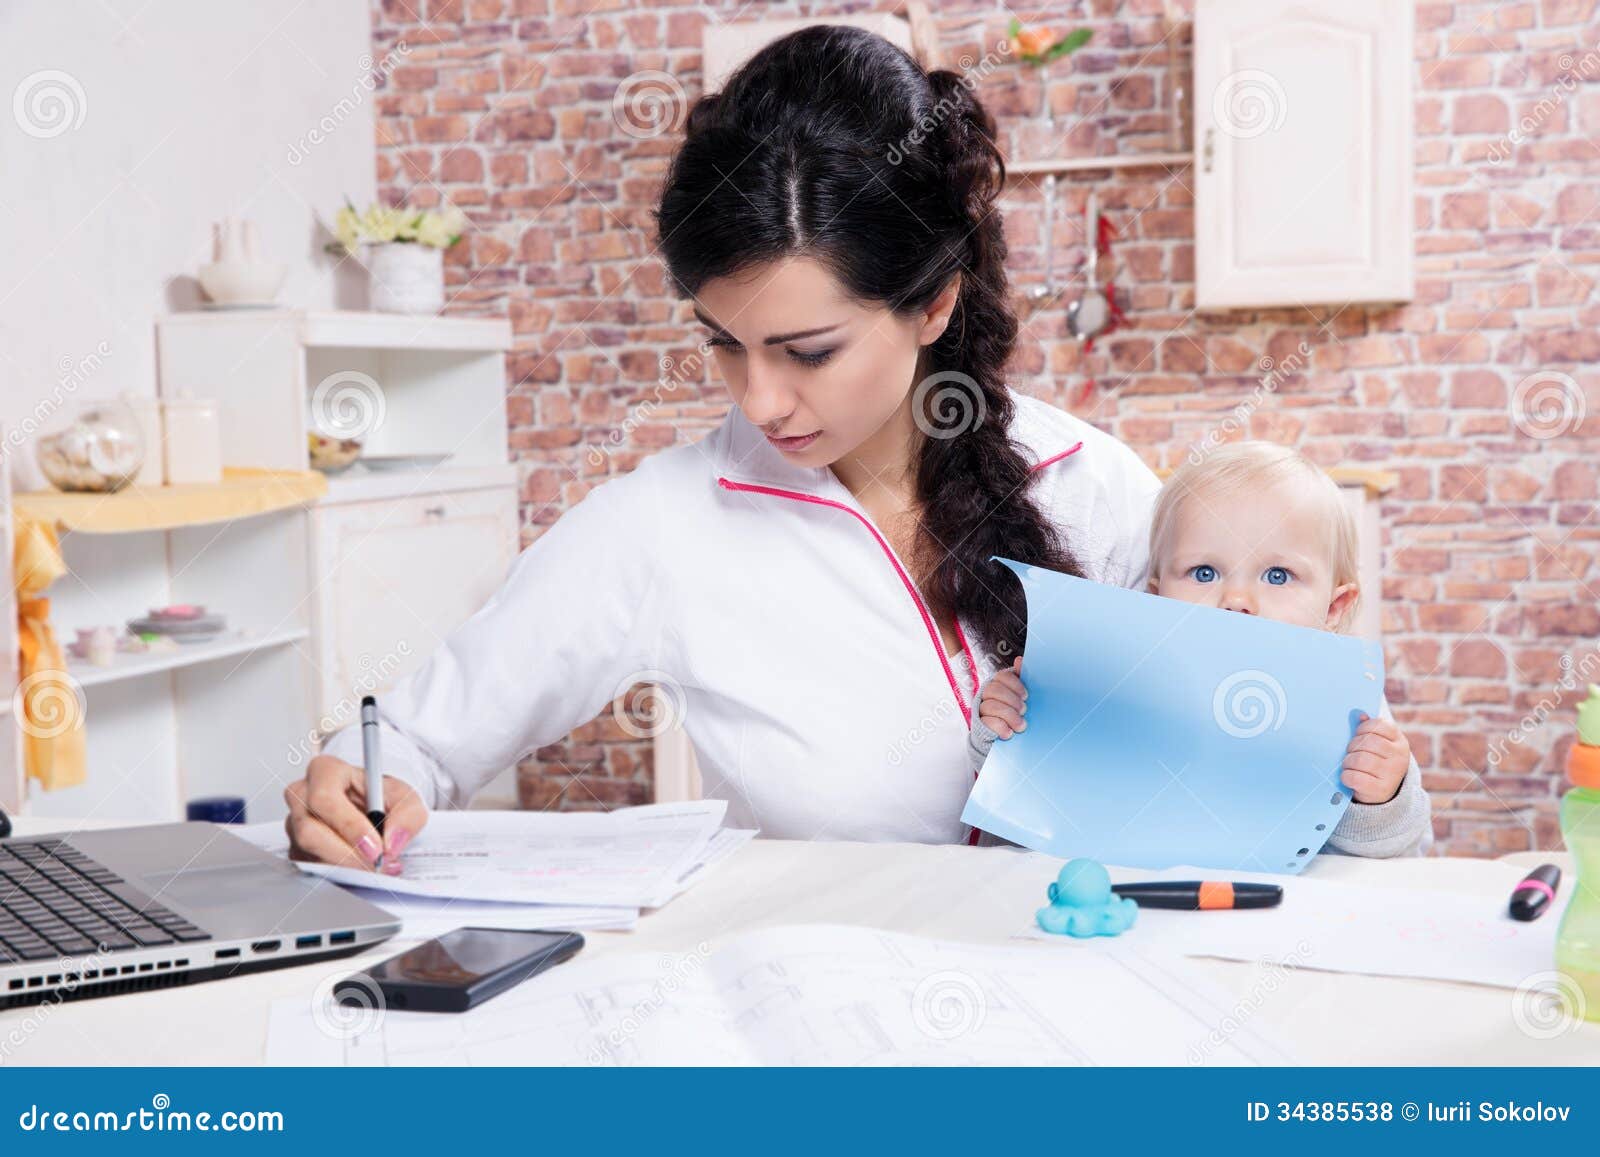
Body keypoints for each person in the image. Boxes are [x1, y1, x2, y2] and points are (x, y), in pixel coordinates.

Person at [284, 25, 1161, 871]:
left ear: (934, 304)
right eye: (725, 343)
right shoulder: (664, 522)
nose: (762, 400)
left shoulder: (1097, 487)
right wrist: (367, 780)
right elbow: (421, 737)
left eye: (809, 351)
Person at [970, 440, 1433, 857]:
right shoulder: (1130, 683)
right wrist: (1007, 732)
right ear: (1156, 595)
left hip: (1284, 917)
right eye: (1204, 573)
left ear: (1335, 607)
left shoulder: (1350, 703)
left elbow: (1402, 851)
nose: (1236, 601)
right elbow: (1038, 813)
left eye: (1278, 575)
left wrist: (1380, 796)